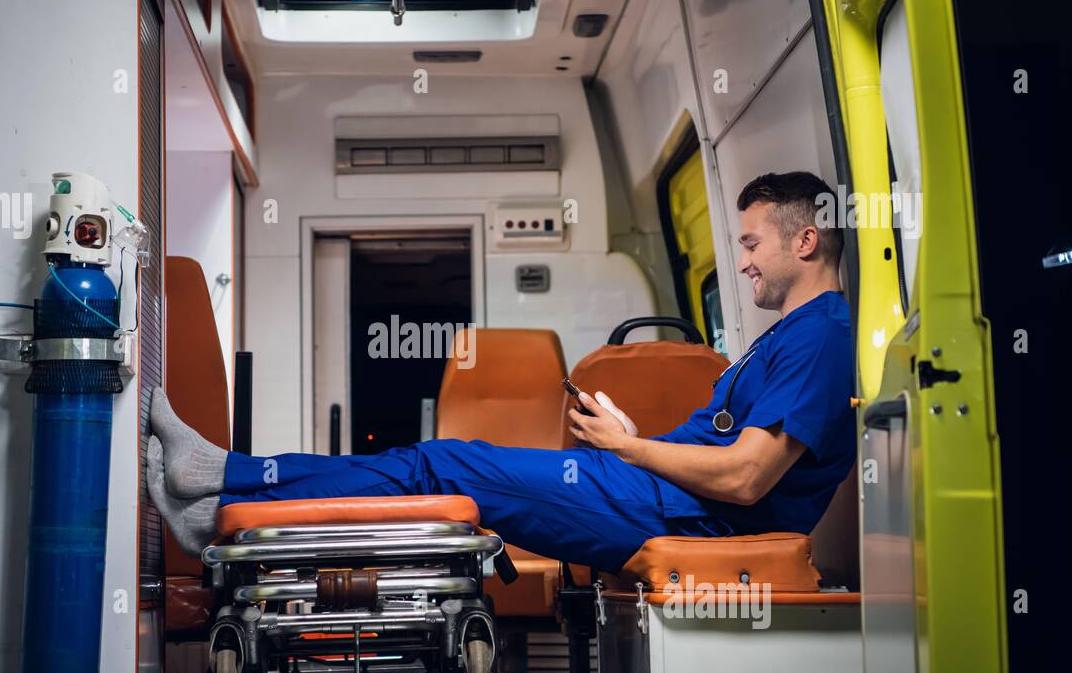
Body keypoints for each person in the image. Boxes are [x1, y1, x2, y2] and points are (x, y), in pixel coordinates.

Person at [146, 171, 855, 573]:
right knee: (439, 464)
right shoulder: (791, 336)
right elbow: (726, 454)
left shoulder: (821, 339)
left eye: (753, 242)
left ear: (806, 239)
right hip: (652, 493)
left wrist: (625, 445)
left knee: (441, 468)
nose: (742, 261)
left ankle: (222, 487)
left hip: (678, 516)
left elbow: (745, 477)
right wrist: (634, 441)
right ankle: (218, 494)